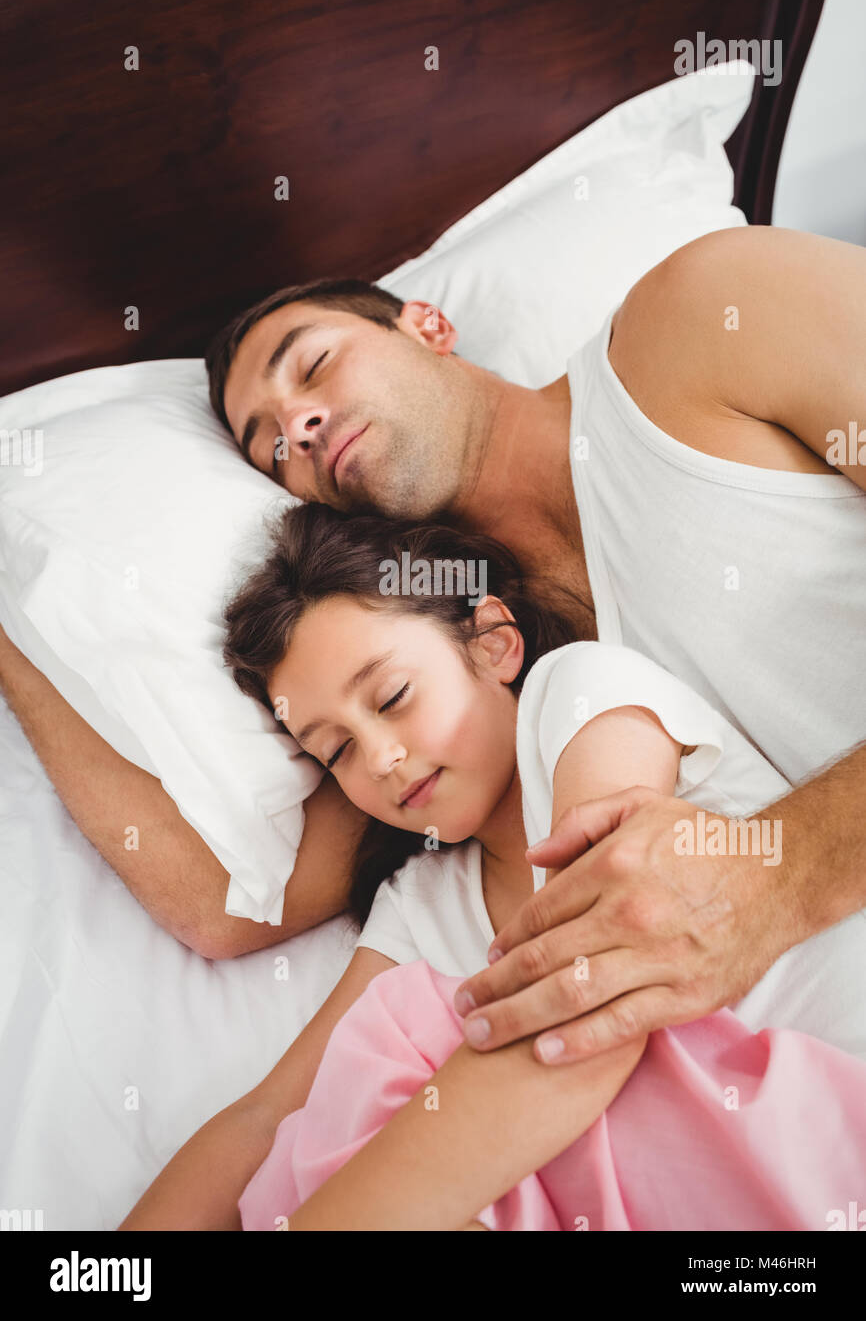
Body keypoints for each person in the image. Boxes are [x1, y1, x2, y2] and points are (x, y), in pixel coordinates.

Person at [2, 225, 865, 1058]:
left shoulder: (707, 315)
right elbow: (226, 910)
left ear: (428, 325)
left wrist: (772, 881)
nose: (297, 427)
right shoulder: (457, 671)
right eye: (271, 450)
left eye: (312, 365)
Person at [121, 505, 866, 1231]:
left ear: (493, 645)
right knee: (328, 1115)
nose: (380, 758)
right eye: (337, 751)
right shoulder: (426, 898)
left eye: (392, 697)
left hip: (821, 1122)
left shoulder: (581, 697)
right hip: (696, 1184)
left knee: (402, 1044)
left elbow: (593, 1001)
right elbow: (263, 1117)